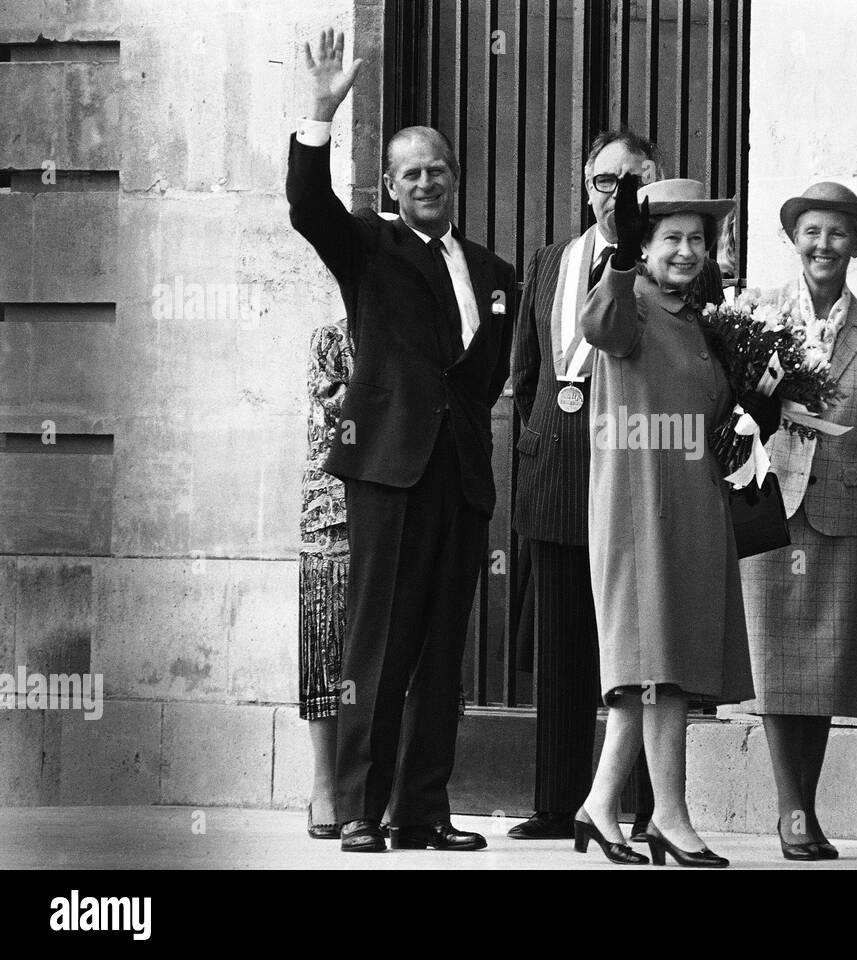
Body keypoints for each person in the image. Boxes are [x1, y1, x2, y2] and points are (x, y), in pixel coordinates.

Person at [287, 28, 515, 853]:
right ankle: (357, 807)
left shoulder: (495, 273)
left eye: (439, 169)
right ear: (390, 184)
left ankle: (421, 810)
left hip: (460, 480)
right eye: (411, 171)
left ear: (456, 179)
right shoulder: (368, 247)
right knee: (375, 647)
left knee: (443, 652)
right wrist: (320, 114)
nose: (427, 180)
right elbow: (307, 207)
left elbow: (483, 379)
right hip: (388, 473)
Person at [508, 128, 711, 842]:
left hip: (643, 467)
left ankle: (653, 808)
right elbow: (526, 369)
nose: (613, 196)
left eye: (630, 183)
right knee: (566, 640)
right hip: (561, 460)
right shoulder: (551, 260)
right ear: (585, 187)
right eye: (603, 182)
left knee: (644, 638)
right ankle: (559, 801)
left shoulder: (673, 272)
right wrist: (532, 443)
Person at [575, 176, 768, 867]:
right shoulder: (630, 302)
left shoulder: (702, 320)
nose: (686, 251)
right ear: (645, 246)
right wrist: (621, 260)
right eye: (670, 239)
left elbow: (717, 415)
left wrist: (755, 415)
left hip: (693, 504)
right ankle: (670, 818)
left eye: (697, 239)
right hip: (639, 505)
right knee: (656, 663)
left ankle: (601, 805)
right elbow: (598, 326)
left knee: (662, 661)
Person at [737, 182, 857, 860]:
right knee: (774, 658)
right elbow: (728, 405)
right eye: (812, 231)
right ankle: (792, 812)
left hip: (836, 510)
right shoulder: (756, 312)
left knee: (825, 664)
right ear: (794, 239)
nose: (824, 245)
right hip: (766, 501)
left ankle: (804, 804)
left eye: (837, 234)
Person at [299, 318, 353, 840]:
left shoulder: (427, 328)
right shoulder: (333, 337)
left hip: (407, 507)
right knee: (326, 646)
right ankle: (325, 788)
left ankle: (390, 789)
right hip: (333, 510)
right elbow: (333, 412)